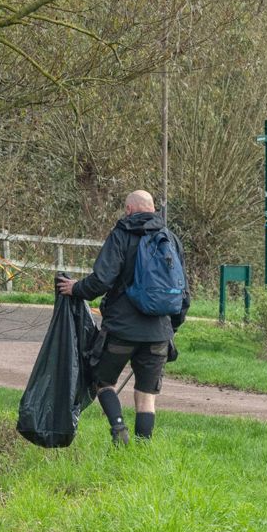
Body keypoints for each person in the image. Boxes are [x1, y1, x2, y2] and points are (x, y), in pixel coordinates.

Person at [57, 190, 189, 445]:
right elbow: (184, 292)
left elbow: (102, 280)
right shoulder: (170, 238)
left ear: (129, 210)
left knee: (102, 380)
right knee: (147, 393)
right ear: (152, 209)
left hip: (121, 329)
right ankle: (143, 447)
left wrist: (76, 288)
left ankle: (119, 429)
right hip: (158, 333)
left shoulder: (121, 235)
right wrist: (172, 326)